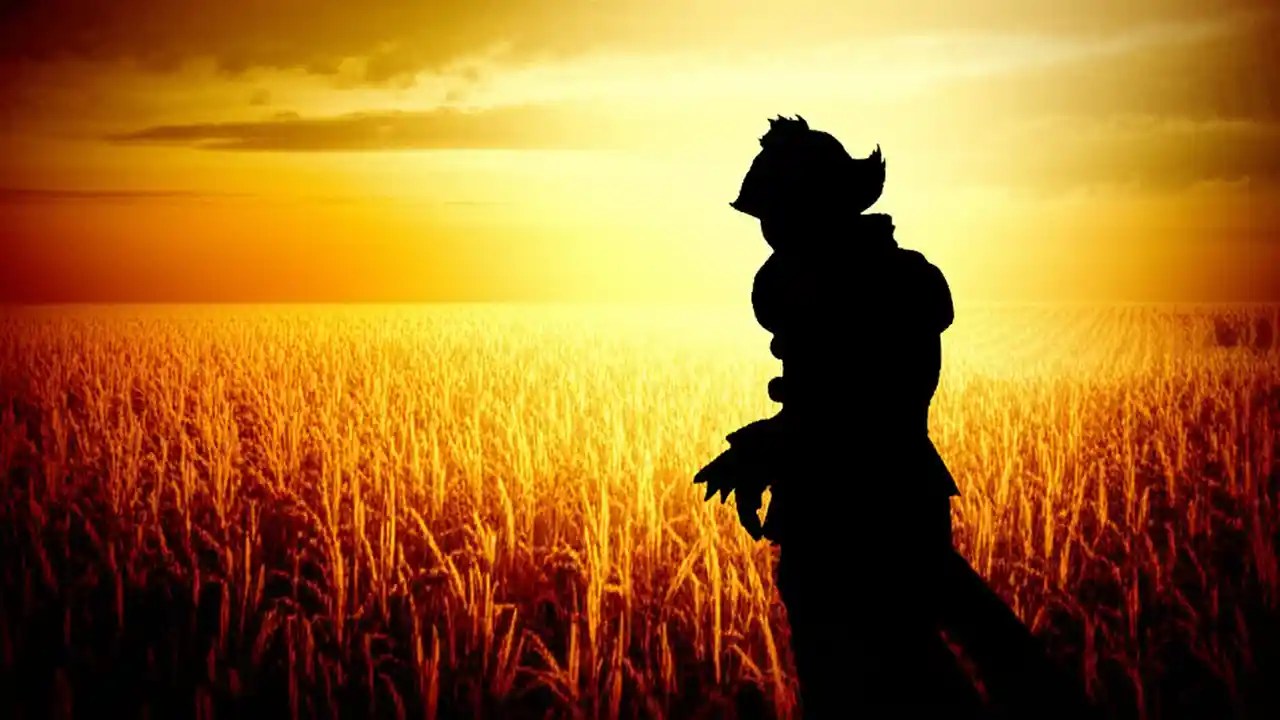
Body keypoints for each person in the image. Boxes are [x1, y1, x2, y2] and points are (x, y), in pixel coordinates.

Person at [695, 115, 981, 715]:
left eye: (780, 215)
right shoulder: (859, 285)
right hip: (847, 510)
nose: (770, 234)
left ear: (819, 211)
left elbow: (863, 417)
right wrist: (768, 446)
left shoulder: (885, 290)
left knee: (887, 678)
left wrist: (771, 448)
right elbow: (829, 407)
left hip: (866, 515)